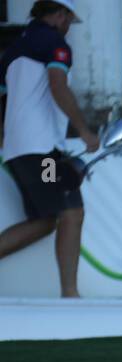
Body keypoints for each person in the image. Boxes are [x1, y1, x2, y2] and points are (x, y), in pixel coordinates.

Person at [0, 1, 96, 297]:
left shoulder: (14, 49)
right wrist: (83, 129)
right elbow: (58, 86)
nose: (68, 28)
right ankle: (71, 294)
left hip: (17, 150)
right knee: (72, 211)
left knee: (43, 221)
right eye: (69, 20)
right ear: (60, 15)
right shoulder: (56, 44)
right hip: (42, 149)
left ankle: (70, 293)